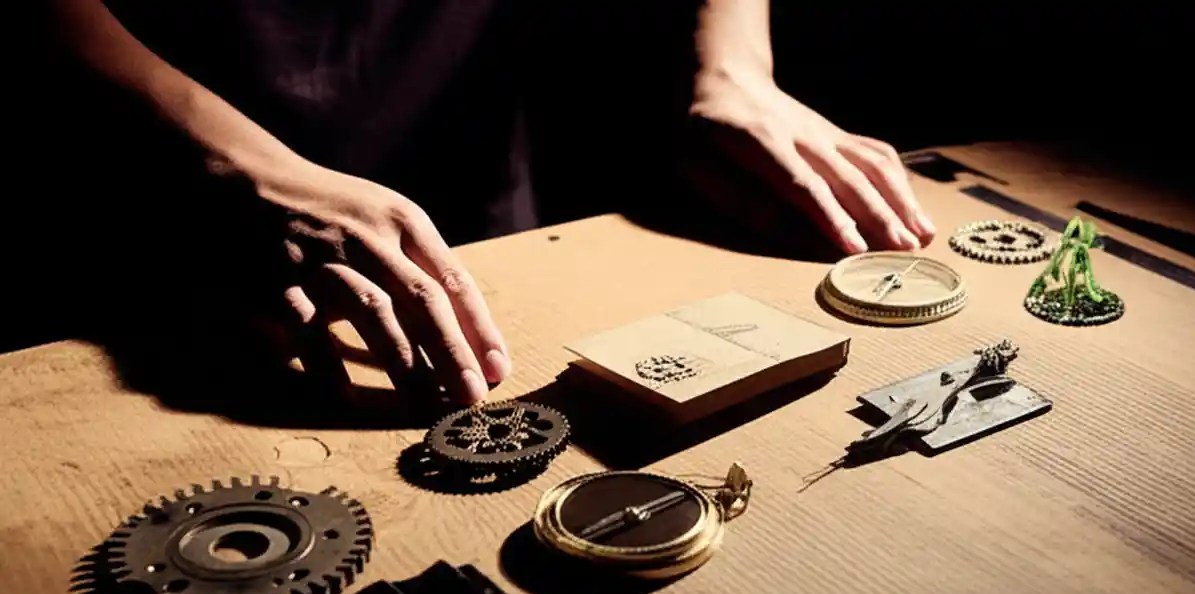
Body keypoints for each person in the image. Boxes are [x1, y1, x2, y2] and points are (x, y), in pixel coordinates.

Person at [45, 0, 935, 407]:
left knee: (488, 376)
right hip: (157, 198)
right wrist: (232, 167)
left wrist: (735, 60)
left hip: (474, 208)